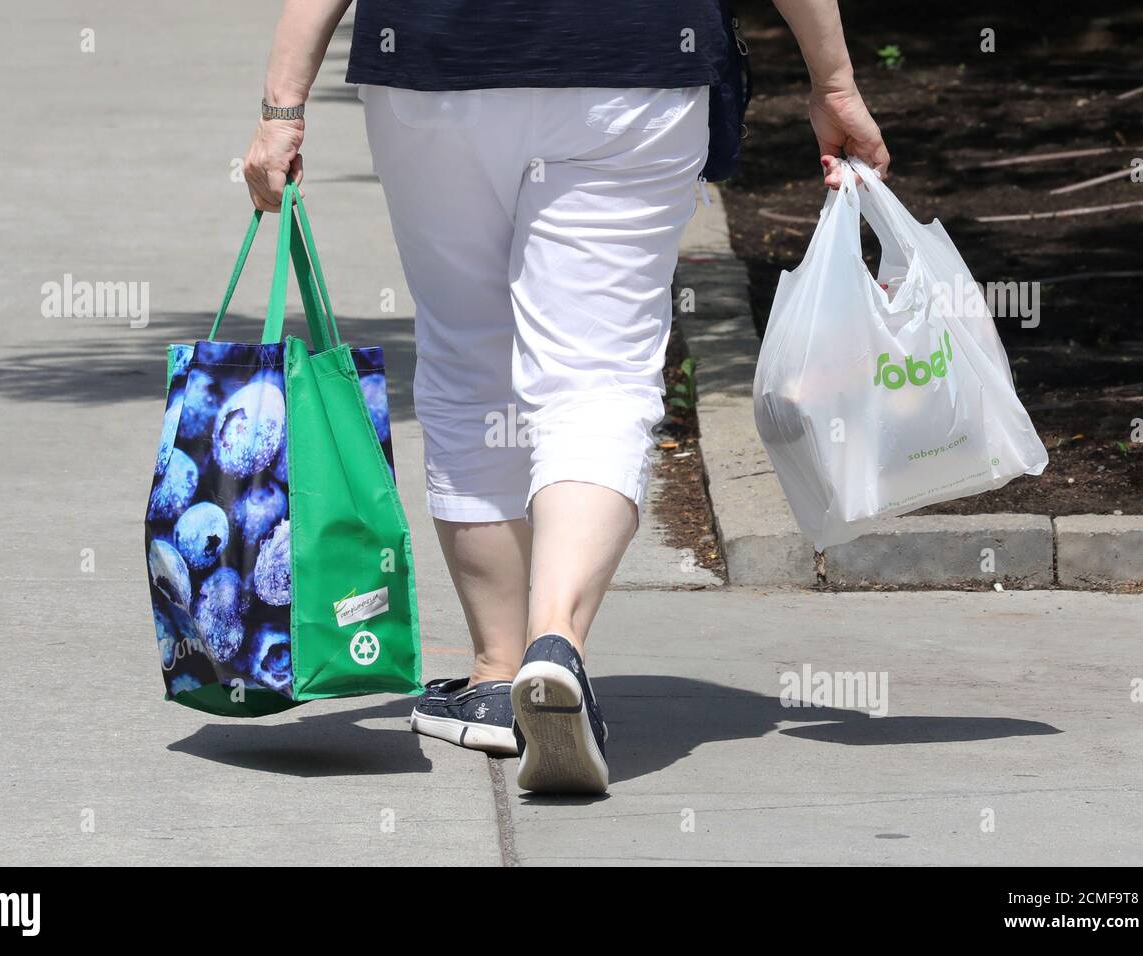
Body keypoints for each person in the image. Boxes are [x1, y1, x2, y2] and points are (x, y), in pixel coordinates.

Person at [243, 0, 889, 794]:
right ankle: (557, 644)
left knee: (468, 355)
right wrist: (833, 81)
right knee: (600, 374)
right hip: (634, 64)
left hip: (438, 66)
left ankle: (492, 676)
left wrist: (283, 107)